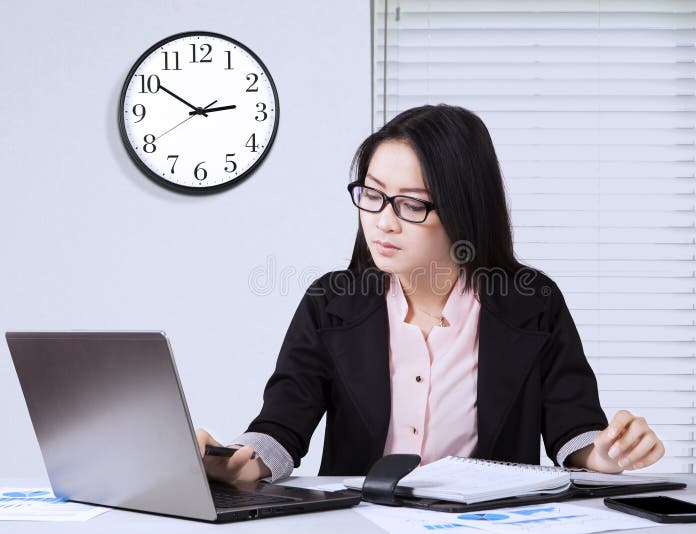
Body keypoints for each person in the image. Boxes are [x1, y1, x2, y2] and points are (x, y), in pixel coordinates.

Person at [196, 104, 665, 485]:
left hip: (488, 525)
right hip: (365, 523)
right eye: (373, 194)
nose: (383, 221)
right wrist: (237, 459)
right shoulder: (331, 302)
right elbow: (283, 423)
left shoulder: (532, 301)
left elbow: (574, 427)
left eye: (412, 204)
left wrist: (603, 454)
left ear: (465, 210)